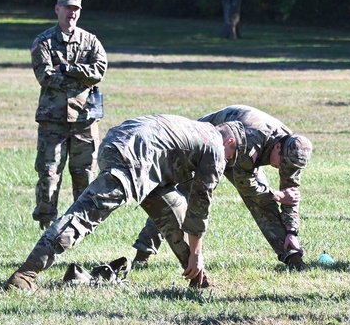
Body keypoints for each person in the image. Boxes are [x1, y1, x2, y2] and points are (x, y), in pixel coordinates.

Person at [5, 115, 245, 291]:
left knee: (174, 211)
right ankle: (26, 274)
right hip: (136, 157)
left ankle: (199, 280)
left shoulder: (200, 129)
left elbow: (185, 212)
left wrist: (195, 255)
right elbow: (200, 207)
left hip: (127, 146)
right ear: (230, 141)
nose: (228, 162)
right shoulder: (215, 146)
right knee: (84, 216)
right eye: (232, 155)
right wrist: (198, 253)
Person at [131, 105, 311, 271]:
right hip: (210, 143)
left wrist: (291, 231)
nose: (283, 169)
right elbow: (248, 186)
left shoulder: (292, 152)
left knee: (265, 203)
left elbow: (291, 195)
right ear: (277, 147)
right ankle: (143, 253)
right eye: (283, 163)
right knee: (179, 197)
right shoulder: (254, 139)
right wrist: (277, 195)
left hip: (240, 152)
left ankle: (292, 256)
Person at [30, 0, 108, 230]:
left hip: (84, 120)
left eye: (76, 9)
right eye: (67, 8)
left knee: (84, 173)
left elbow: (99, 72)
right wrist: (81, 77)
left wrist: (68, 69)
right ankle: (46, 221)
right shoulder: (43, 42)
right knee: (49, 173)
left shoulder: (90, 41)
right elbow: (45, 76)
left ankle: (82, 222)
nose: (71, 13)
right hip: (53, 120)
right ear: (57, 9)